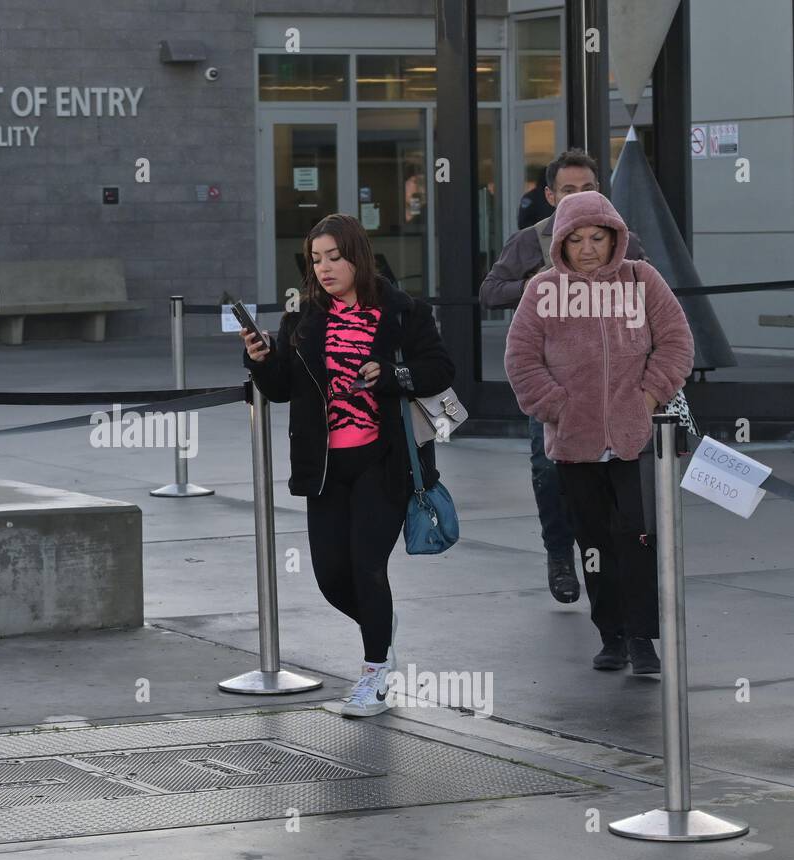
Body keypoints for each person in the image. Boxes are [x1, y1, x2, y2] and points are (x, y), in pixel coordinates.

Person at [241, 213, 455, 716]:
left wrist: (392, 373)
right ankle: (380, 629)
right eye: (316, 260)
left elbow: (441, 369)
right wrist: (260, 359)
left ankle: (375, 674)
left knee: (367, 567)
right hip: (324, 468)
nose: (325, 268)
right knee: (330, 576)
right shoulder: (302, 321)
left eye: (334, 257)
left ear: (358, 255)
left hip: (384, 462)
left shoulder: (403, 312)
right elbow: (279, 389)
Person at [504, 191, 693, 674]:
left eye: (598, 237)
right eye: (577, 239)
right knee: (593, 543)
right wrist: (558, 409)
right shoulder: (541, 290)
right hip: (573, 446)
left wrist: (647, 399)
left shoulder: (642, 279)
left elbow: (676, 342)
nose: (587, 248)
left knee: (637, 537)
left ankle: (642, 638)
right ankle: (610, 634)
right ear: (561, 243)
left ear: (615, 239)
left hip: (635, 440)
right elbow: (521, 360)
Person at [481, 148, 646, 606]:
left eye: (588, 189)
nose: (579, 197)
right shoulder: (529, 241)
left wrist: (650, 389)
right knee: (549, 470)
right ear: (551, 196)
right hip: (556, 388)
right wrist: (538, 281)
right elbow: (490, 292)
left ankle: (618, 583)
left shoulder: (622, 240)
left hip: (616, 389)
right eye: (569, 190)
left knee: (619, 482)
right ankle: (559, 557)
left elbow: (653, 301)